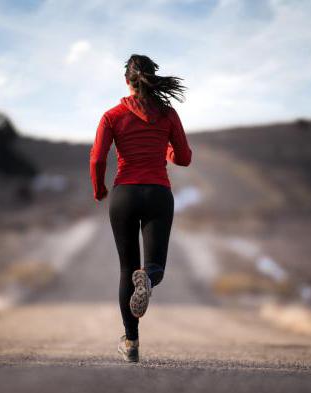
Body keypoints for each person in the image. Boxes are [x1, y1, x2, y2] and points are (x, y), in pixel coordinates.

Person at [89, 54, 192, 363]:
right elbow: (184, 158)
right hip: (158, 193)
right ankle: (147, 279)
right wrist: (169, 150)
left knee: (126, 268)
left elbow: (97, 158)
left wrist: (100, 189)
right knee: (152, 266)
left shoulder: (112, 115)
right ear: (152, 79)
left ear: (127, 82)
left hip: (124, 195)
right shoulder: (168, 114)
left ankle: (131, 342)